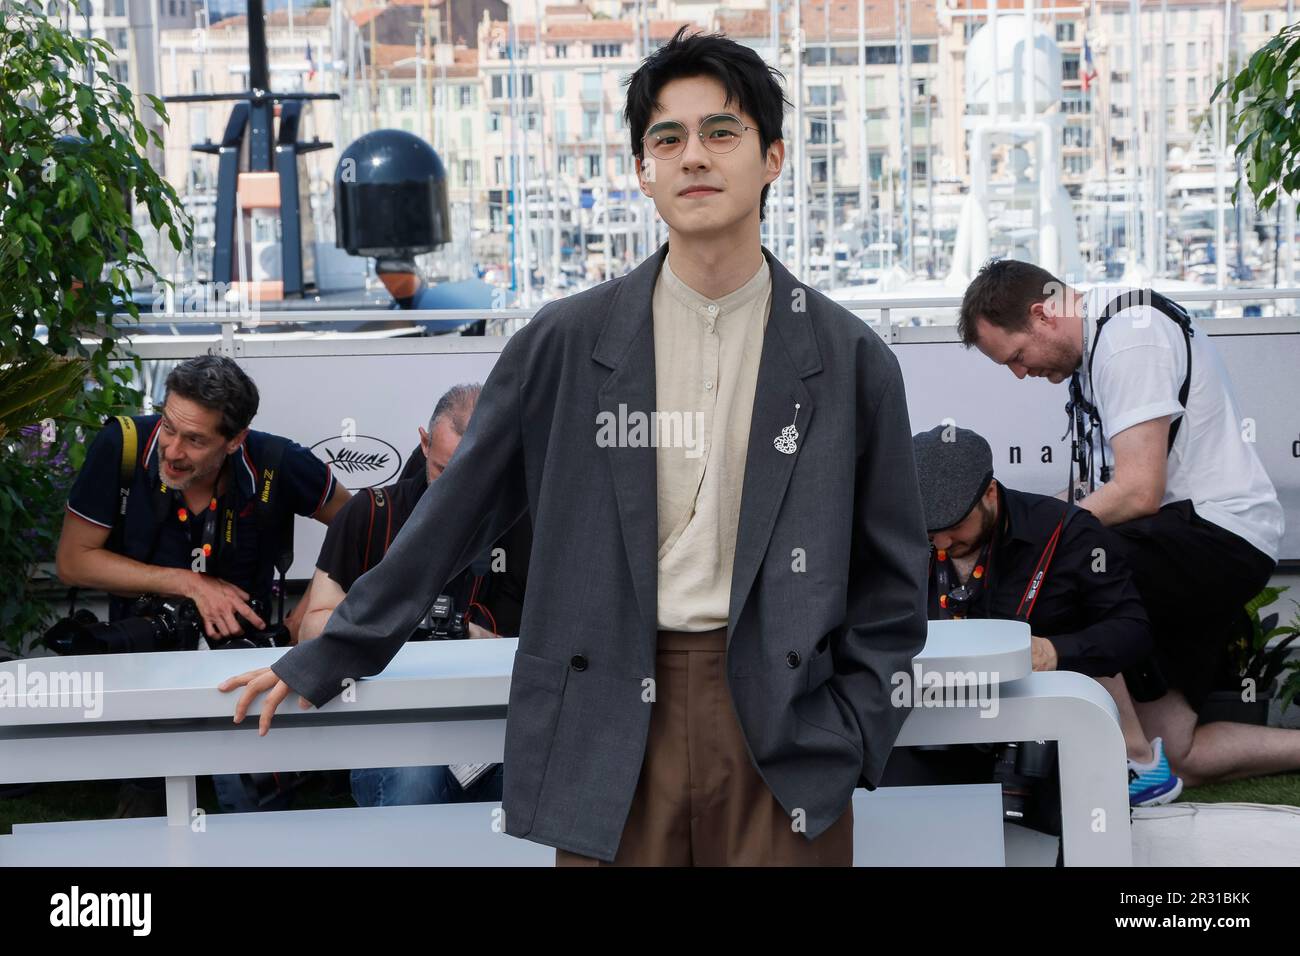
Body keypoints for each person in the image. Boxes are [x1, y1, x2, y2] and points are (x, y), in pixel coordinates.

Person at [222, 28, 929, 866]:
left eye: (721, 132)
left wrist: (852, 728)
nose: (692, 155)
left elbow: (894, 581)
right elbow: (452, 517)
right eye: (667, 138)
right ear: (643, 171)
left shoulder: (850, 359)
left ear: (773, 157)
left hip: (786, 728)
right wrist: (330, 653)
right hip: (605, 718)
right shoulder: (565, 342)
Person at [959, 258, 1292, 788]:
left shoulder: (1130, 338)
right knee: (1180, 755)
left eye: (1018, 357)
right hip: (1177, 544)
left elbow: (1138, 491)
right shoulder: (1099, 345)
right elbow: (1099, 494)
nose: (1021, 374)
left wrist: (1040, 534)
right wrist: (1012, 519)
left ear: (1044, 315)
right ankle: (1154, 763)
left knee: (1059, 565)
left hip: (1217, 538)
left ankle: (1133, 761)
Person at [56, 353, 350, 815]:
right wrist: (189, 583)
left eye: (194, 440)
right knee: (143, 819)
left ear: (234, 441)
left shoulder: (275, 461)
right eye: (169, 426)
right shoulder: (124, 445)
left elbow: (358, 529)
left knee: (253, 807)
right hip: (144, 664)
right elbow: (73, 562)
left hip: (241, 666)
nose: (172, 451)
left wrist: (309, 607)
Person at [906, 424, 1177, 809]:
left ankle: (1134, 764)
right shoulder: (903, 537)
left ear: (990, 493)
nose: (943, 544)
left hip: (1042, 725)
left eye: (954, 527)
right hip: (934, 721)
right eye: (932, 532)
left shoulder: (1067, 533)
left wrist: (1054, 652)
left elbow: (1132, 630)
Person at [299, 383, 530, 806]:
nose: (457, 493)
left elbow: (546, 647)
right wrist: (393, 624)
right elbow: (310, 629)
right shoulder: (370, 513)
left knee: (531, 786)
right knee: (413, 782)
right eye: (445, 471)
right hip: (392, 724)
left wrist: (468, 635)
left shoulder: (527, 526)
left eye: (474, 477)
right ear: (424, 443)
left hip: (493, 726)